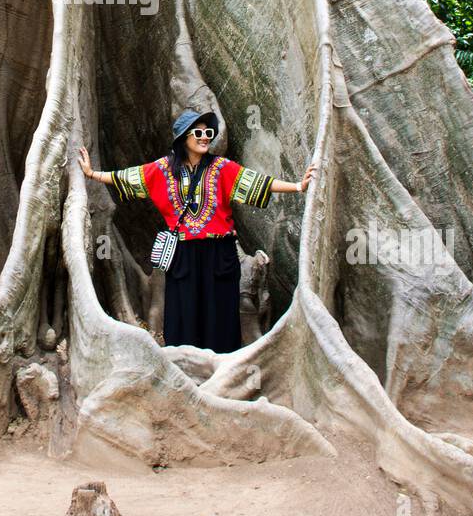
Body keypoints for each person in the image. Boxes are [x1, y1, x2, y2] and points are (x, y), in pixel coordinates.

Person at [78, 109, 315, 353]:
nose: (205, 137)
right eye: (198, 132)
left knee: (220, 312)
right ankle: (187, 365)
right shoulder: (162, 169)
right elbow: (128, 177)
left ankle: (220, 366)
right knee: (184, 312)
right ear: (183, 137)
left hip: (219, 252)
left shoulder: (222, 168)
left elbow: (257, 182)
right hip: (183, 254)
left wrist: (299, 186)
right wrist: (92, 174)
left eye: (208, 132)